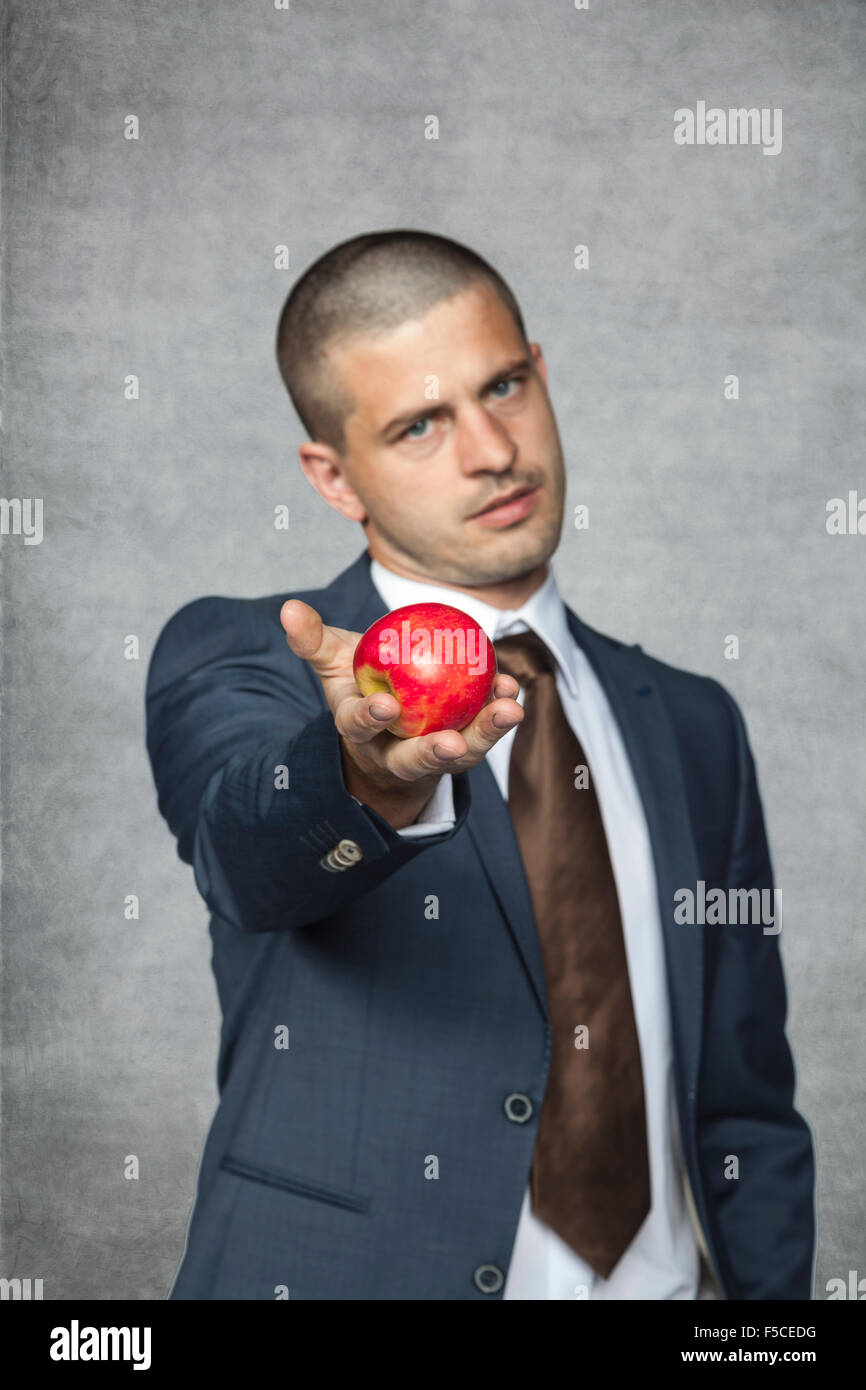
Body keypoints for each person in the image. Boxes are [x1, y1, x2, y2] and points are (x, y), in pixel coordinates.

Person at [145, 229, 816, 1300]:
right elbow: (247, 851)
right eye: (418, 425)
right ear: (333, 476)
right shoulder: (249, 657)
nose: (490, 450)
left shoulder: (693, 723)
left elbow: (742, 1099)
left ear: (541, 373)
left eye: (502, 386)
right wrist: (372, 778)